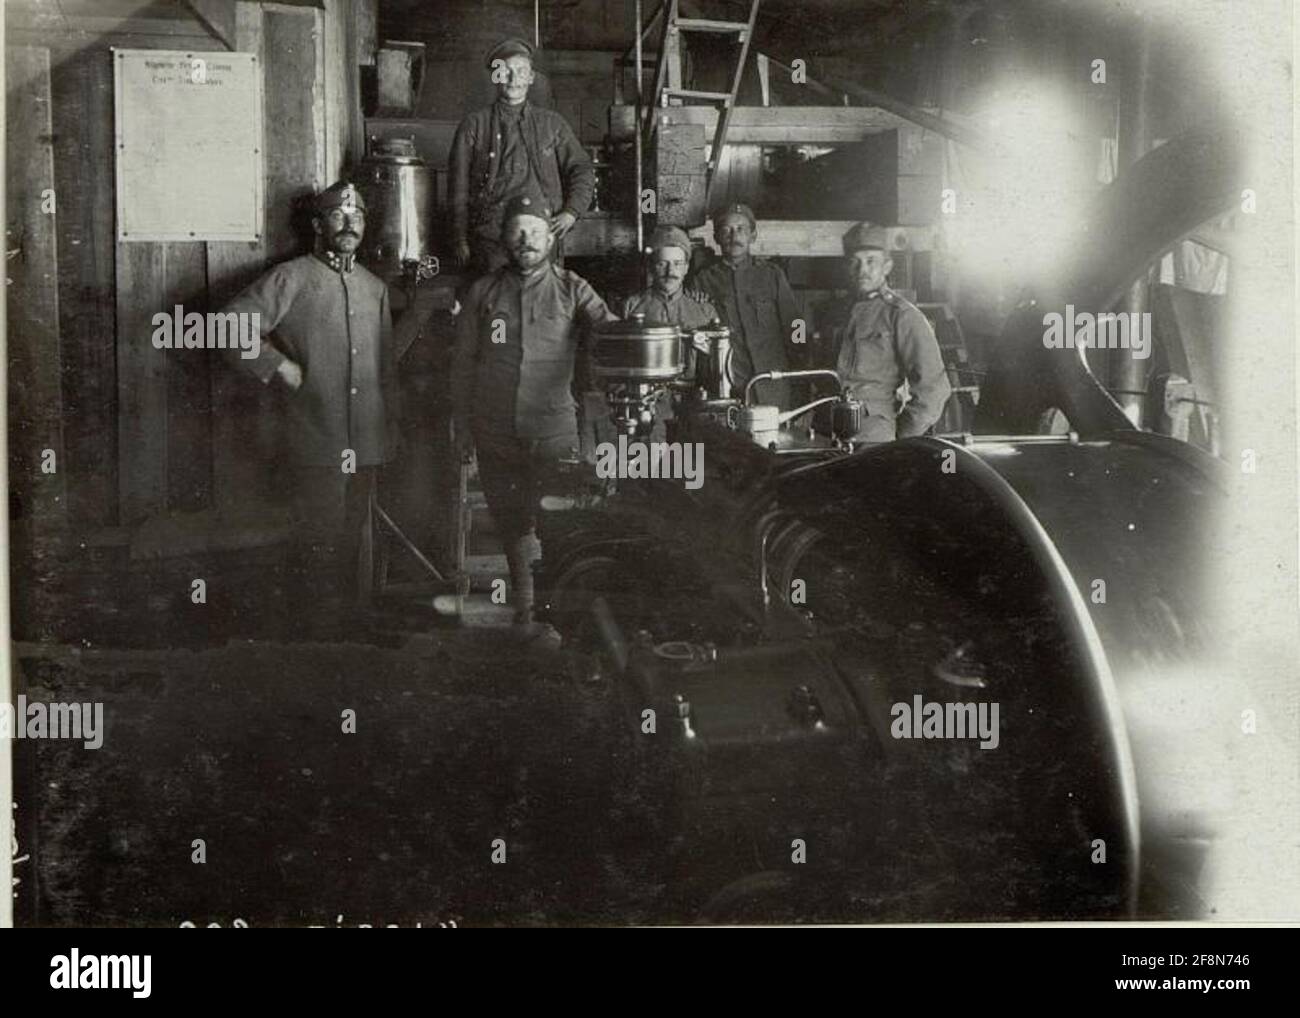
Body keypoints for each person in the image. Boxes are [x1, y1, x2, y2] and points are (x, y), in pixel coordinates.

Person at [220, 181, 400, 609]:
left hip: (367, 439)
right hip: (318, 437)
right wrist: (278, 365)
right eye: (339, 215)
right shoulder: (292, 276)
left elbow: (386, 368)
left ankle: (349, 633)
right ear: (319, 225)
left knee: (354, 537)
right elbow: (229, 324)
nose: (349, 223)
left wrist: (390, 431)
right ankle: (319, 635)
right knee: (318, 541)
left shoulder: (375, 288)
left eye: (357, 216)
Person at [451, 195, 616, 645]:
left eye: (536, 232)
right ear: (505, 237)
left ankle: (562, 619)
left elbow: (612, 331)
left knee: (559, 520)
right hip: (495, 428)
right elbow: (464, 362)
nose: (527, 240)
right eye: (518, 231)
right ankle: (525, 610)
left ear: (551, 238)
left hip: (554, 429)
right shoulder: (482, 292)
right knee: (511, 520)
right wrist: (462, 424)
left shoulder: (573, 288)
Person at [449, 37, 595, 278]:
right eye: (505, 71)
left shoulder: (553, 124)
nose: (513, 78)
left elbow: (582, 168)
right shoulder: (474, 125)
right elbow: (458, 190)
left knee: (543, 305)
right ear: (495, 77)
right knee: (496, 307)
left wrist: (572, 211)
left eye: (520, 71)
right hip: (491, 241)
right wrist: (460, 239)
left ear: (531, 78)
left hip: (541, 238)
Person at [815, 222, 951, 441]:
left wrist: (899, 436)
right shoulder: (834, 313)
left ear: (887, 266)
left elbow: (934, 390)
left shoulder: (902, 315)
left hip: (872, 437)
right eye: (855, 262)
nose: (862, 270)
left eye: (871, 261)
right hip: (825, 433)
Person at [690, 203, 802, 408]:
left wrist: (802, 370)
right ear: (716, 237)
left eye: (741, 229)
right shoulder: (703, 280)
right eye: (726, 229)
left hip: (773, 386)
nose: (734, 236)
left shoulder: (771, 275)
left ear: (753, 235)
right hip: (730, 387)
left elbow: (795, 323)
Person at [623, 224, 719, 387]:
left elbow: (716, 366)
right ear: (651, 267)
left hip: (693, 400)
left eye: (677, 263)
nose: (670, 271)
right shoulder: (631, 308)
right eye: (662, 263)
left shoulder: (704, 310)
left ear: (686, 268)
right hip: (647, 401)